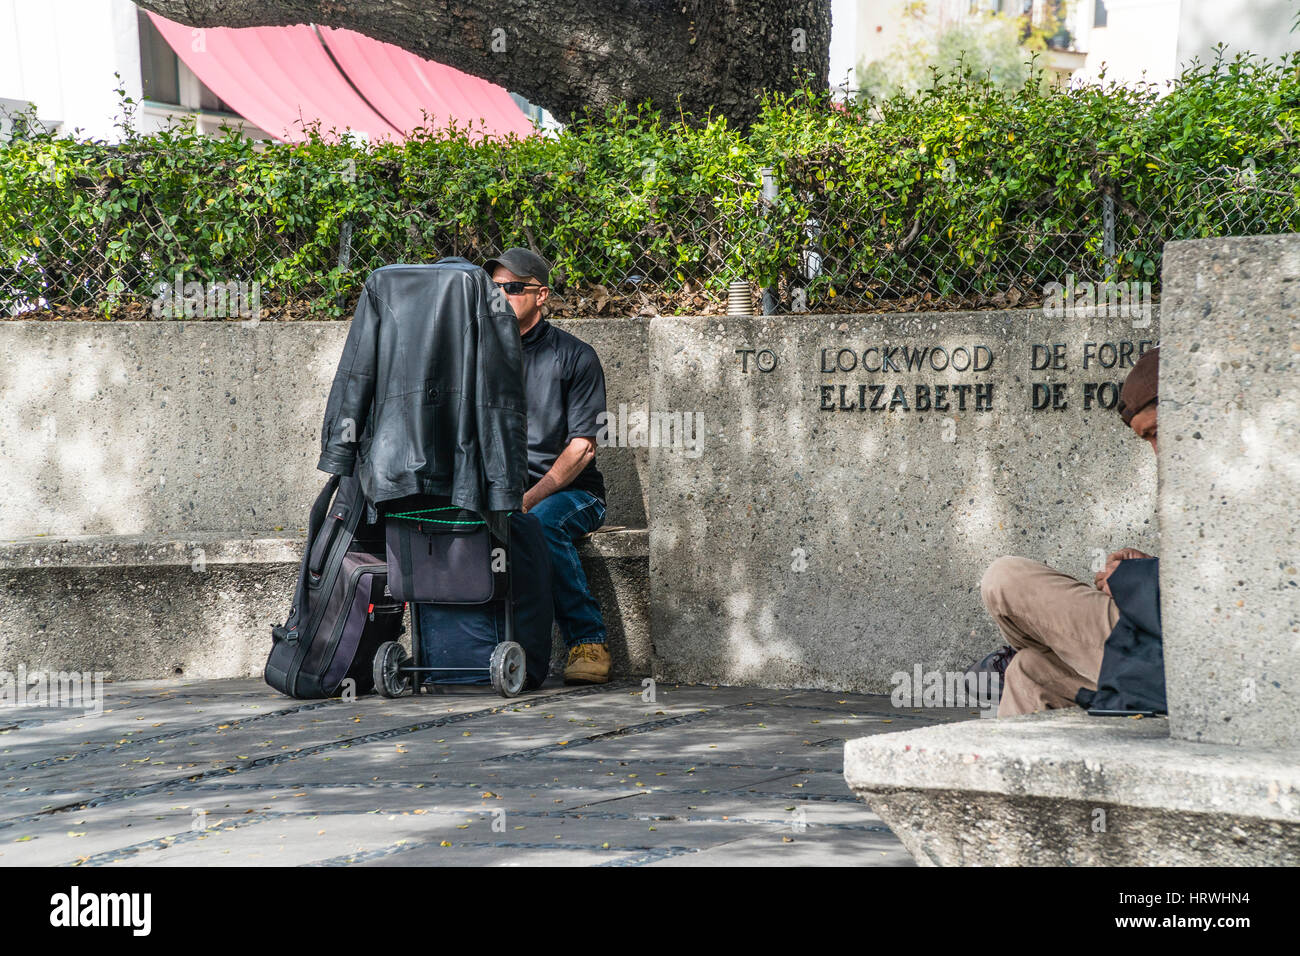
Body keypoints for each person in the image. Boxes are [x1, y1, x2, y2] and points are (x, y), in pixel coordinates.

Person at [978, 347, 1160, 717]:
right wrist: (1147, 567)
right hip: (1149, 653)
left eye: (1157, 432)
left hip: (1173, 653)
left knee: (1005, 578)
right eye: (1147, 440)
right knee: (1028, 670)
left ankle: (1042, 640)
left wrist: (1134, 581)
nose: (1158, 451)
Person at [484, 248, 613, 684]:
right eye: (494, 288)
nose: (501, 296)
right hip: (500, 490)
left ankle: (588, 641)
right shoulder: (479, 356)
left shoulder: (576, 357)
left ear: (541, 296)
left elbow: (582, 449)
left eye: (513, 288)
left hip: (571, 493)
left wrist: (530, 497)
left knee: (539, 524)